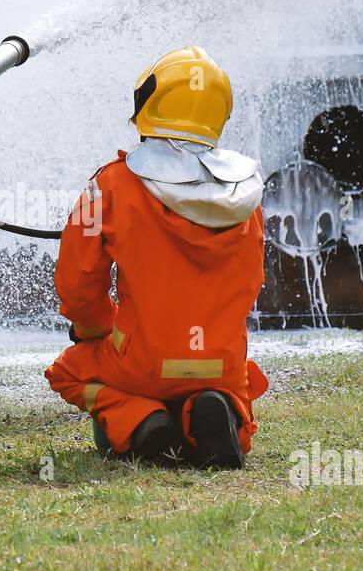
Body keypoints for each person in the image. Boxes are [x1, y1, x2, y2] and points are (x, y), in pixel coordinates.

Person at [44, 47, 269, 469]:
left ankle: (141, 419)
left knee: (68, 372)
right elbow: (252, 280)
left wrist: (94, 329)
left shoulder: (110, 184)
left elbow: (78, 280)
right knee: (230, 385)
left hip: (139, 362)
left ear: (148, 106)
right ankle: (217, 411)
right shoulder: (248, 193)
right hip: (219, 360)